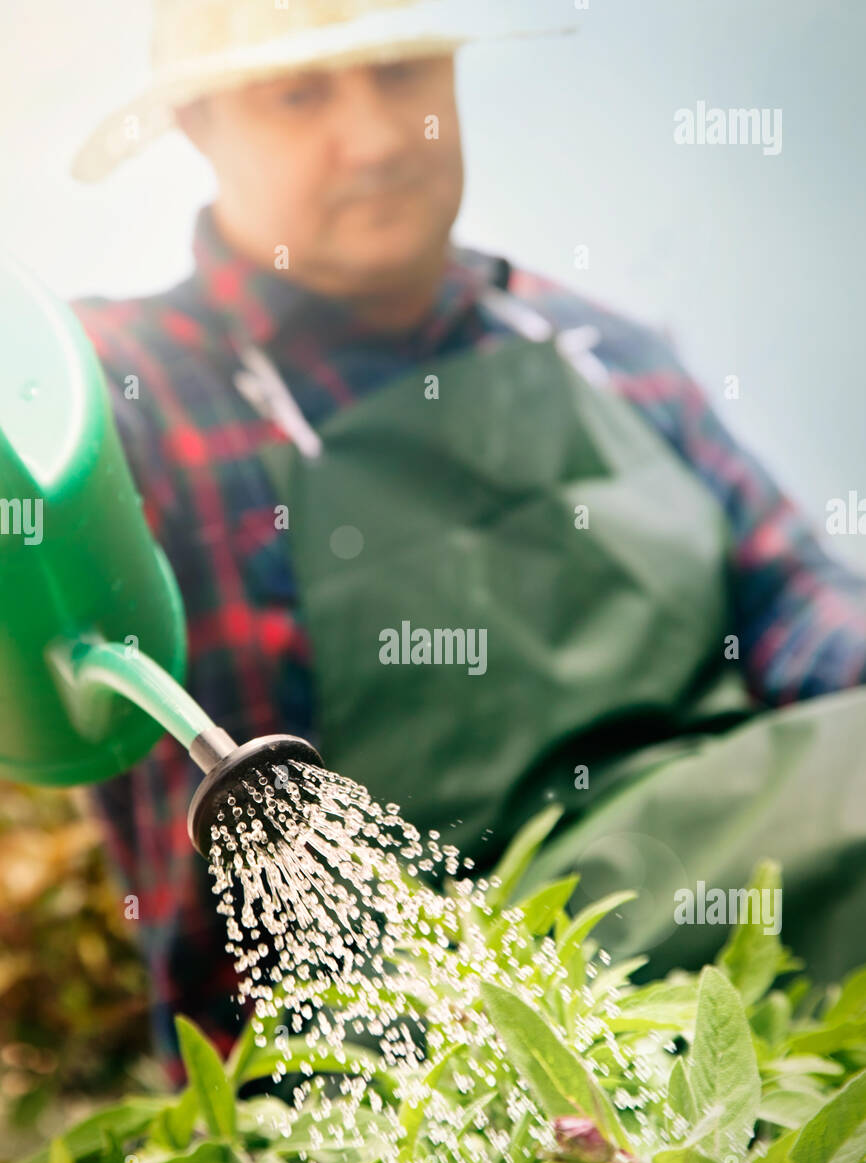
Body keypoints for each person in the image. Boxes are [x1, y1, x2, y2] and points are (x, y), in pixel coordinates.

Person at [70, 0, 866, 1082]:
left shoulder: (596, 347)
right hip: (436, 1015)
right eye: (299, 95)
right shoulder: (121, 400)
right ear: (196, 128)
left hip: (756, 878)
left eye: (403, 75)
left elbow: (798, 606)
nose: (381, 137)